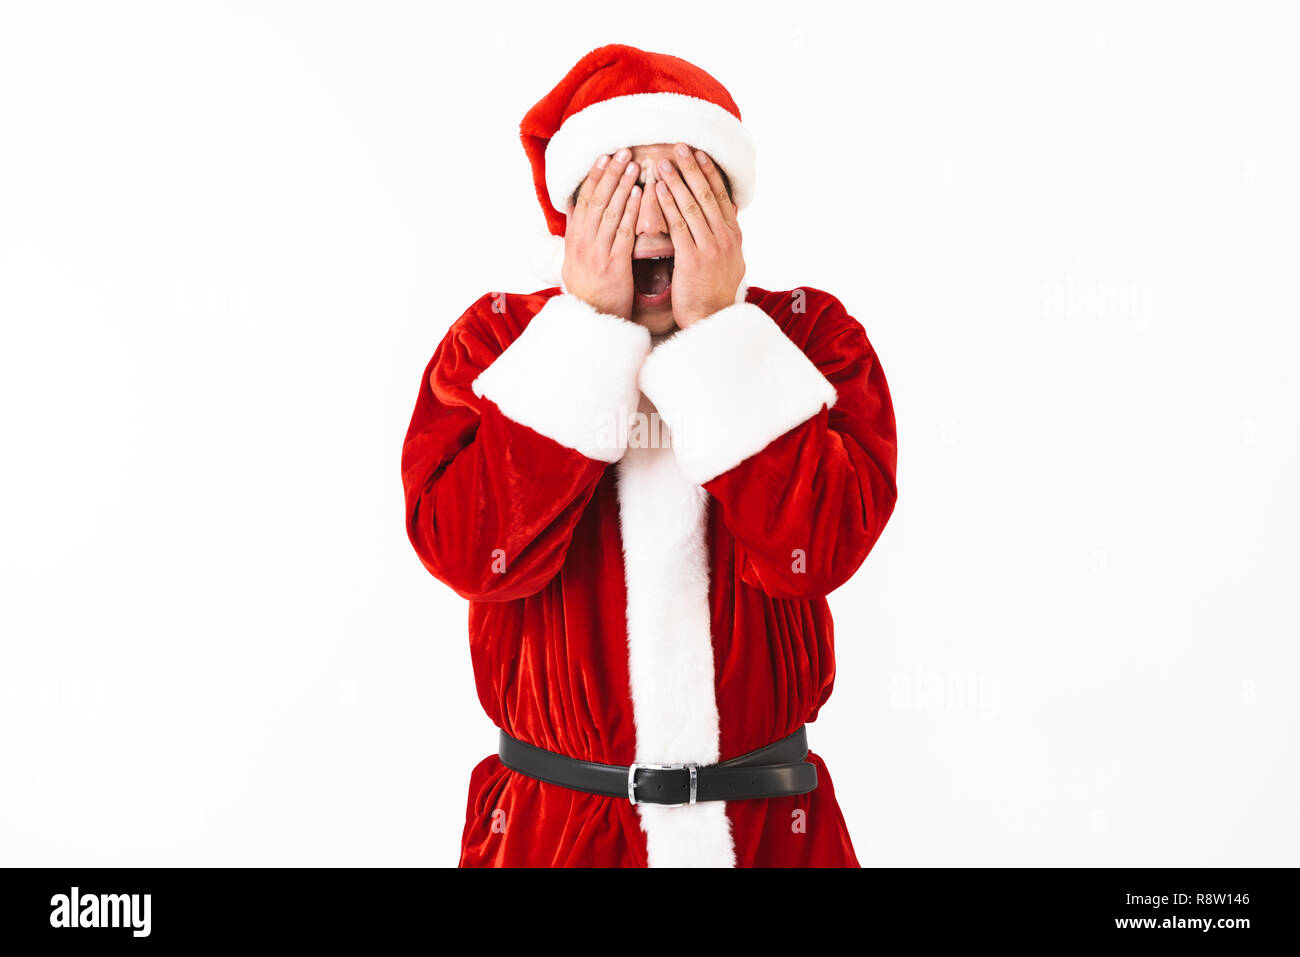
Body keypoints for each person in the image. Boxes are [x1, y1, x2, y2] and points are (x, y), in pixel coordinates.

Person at [400, 43, 898, 867]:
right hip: (552, 835)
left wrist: (718, 339)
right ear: (571, 206)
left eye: (686, 182)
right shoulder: (495, 344)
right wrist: (587, 339)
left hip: (773, 833)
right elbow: (468, 553)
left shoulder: (813, 339)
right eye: (625, 186)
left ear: (730, 203)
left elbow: (822, 547)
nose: (656, 217)